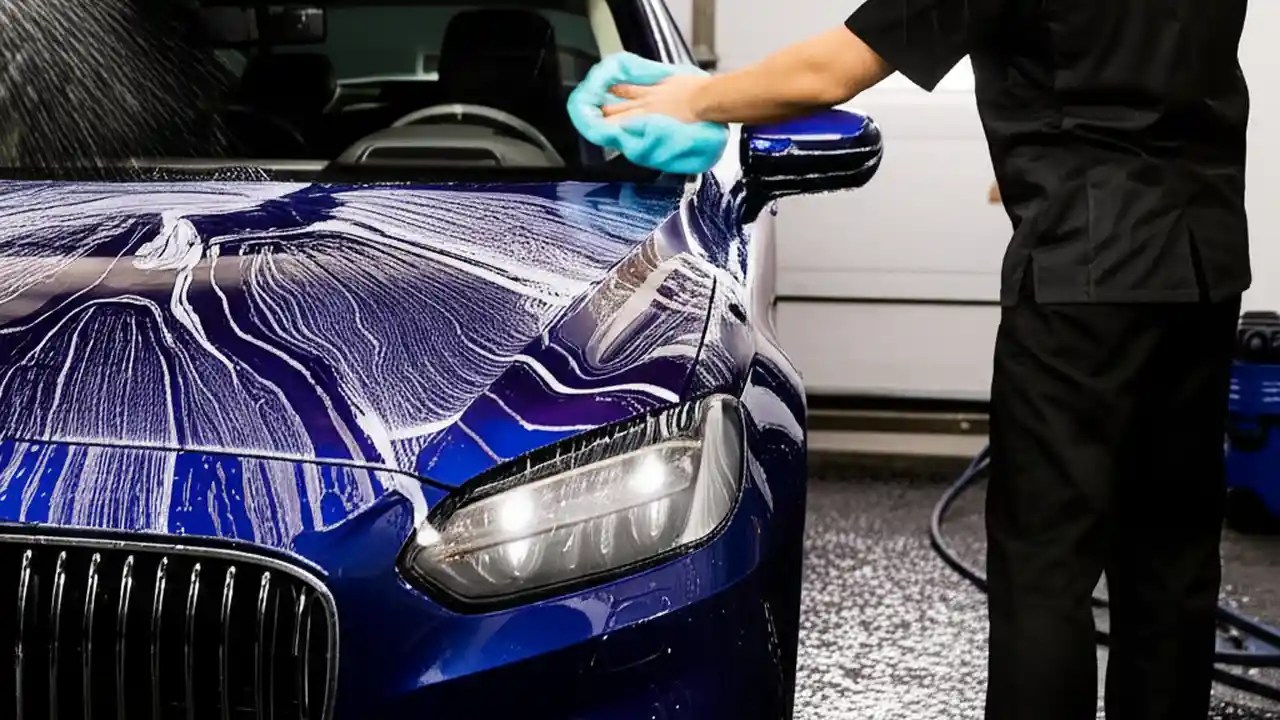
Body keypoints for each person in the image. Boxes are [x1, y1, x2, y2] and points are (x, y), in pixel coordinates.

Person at [594, 1, 1251, 719]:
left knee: (1047, 569)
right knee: (1171, 565)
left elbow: (835, 67)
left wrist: (696, 95)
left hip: (1085, 278)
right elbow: (1149, 79)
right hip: (1200, 266)